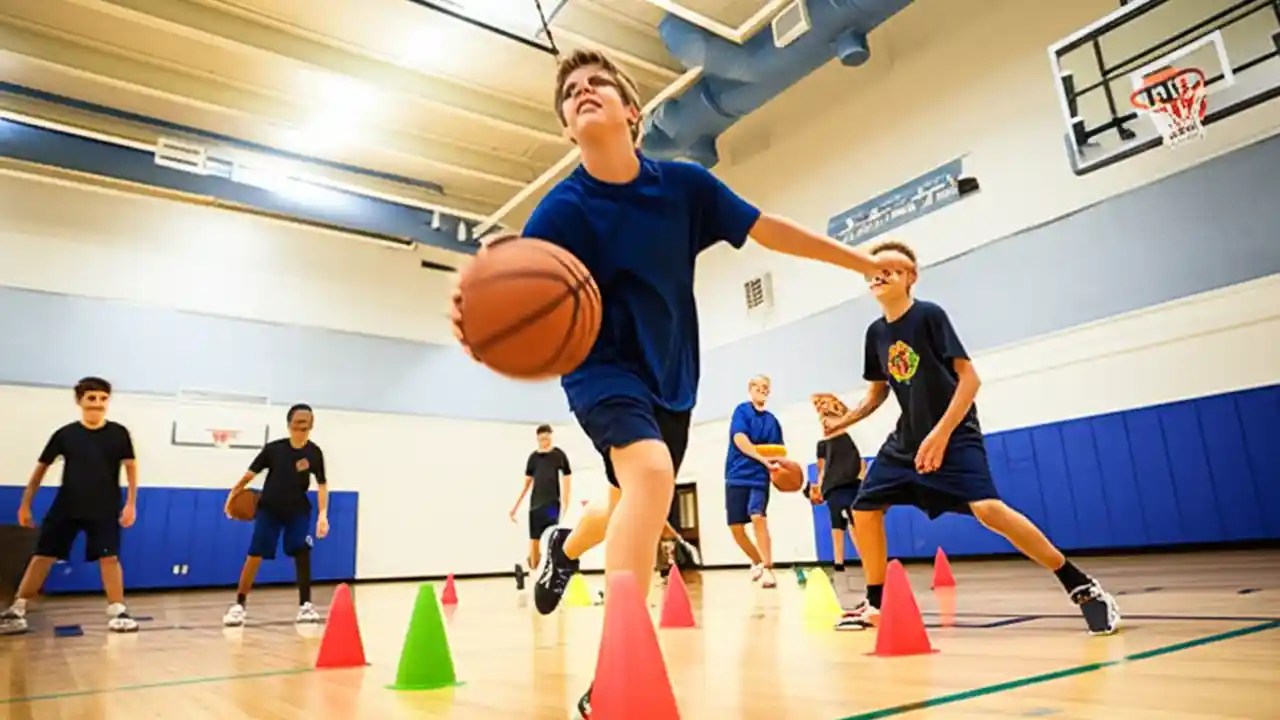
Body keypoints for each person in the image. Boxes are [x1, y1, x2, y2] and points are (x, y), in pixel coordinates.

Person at [451, 49, 912, 718]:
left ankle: (564, 546)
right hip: (600, 369)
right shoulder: (559, 214)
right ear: (565, 128)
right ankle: (615, 671)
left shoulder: (686, 188)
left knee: (627, 494)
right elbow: (522, 301)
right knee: (648, 477)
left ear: (632, 113)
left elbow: (768, 228)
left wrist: (859, 260)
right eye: (570, 93)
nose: (582, 93)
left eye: (596, 85)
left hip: (671, 374)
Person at [821, 240, 1121, 635]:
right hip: (906, 441)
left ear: (910, 278)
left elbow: (970, 378)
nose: (881, 273)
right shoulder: (875, 333)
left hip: (954, 432)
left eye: (893, 269)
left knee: (988, 511)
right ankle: (876, 602)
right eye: (875, 269)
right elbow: (879, 392)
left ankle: (1079, 583)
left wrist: (941, 435)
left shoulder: (929, 316)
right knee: (864, 509)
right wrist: (845, 421)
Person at [0, 376, 139, 635]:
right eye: (91, 398)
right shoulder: (65, 435)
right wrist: (25, 504)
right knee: (43, 555)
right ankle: (17, 610)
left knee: (109, 557)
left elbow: (131, 468)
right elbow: (39, 471)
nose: (97, 404)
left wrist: (131, 503)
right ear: (79, 401)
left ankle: (118, 609)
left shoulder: (119, 434)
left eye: (103, 398)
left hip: (105, 506)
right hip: (67, 505)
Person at [222, 404, 329, 627]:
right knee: (255, 554)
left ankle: (305, 606)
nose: (303, 424)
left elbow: (322, 485)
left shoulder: (314, 453)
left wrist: (323, 515)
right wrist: (231, 497)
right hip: (269, 509)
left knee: (302, 551)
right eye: (299, 420)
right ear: (289, 424)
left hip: (298, 511)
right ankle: (239, 605)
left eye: (307, 420)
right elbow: (248, 475)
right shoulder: (273, 450)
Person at [723, 375, 783, 588]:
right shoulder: (742, 411)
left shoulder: (772, 421)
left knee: (758, 516)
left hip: (759, 476)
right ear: (750, 389)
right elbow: (740, 439)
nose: (762, 390)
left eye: (766, 387)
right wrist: (761, 458)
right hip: (736, 474)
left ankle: (768, 568)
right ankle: (757, 561)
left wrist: (779, 470)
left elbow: (779, 452)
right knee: (735, 528)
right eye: (758, 386)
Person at [811, 392, 866, 574]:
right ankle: (839, 561)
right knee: (839, 519)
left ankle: (866, 557)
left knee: (855, 519)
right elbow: (822, 468)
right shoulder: (823, 442)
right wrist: (819, 486)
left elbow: (858, 461)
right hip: (834, 483)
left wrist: (862, 477)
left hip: (850, 477)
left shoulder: (844, 435)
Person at [510, 424, 572, 572]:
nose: (545, 441)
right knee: (534, 540)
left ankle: (550, 573)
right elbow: (526, 485)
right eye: (541, 439)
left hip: (552, 505)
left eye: (547, 438)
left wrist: (566, 501)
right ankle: (532, 572)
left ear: (551, 436)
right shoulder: (533, 458)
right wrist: (515, 508)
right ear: (537, 439)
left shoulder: (559, 455)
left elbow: (567, 478)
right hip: (535, 506)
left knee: (552, 537)